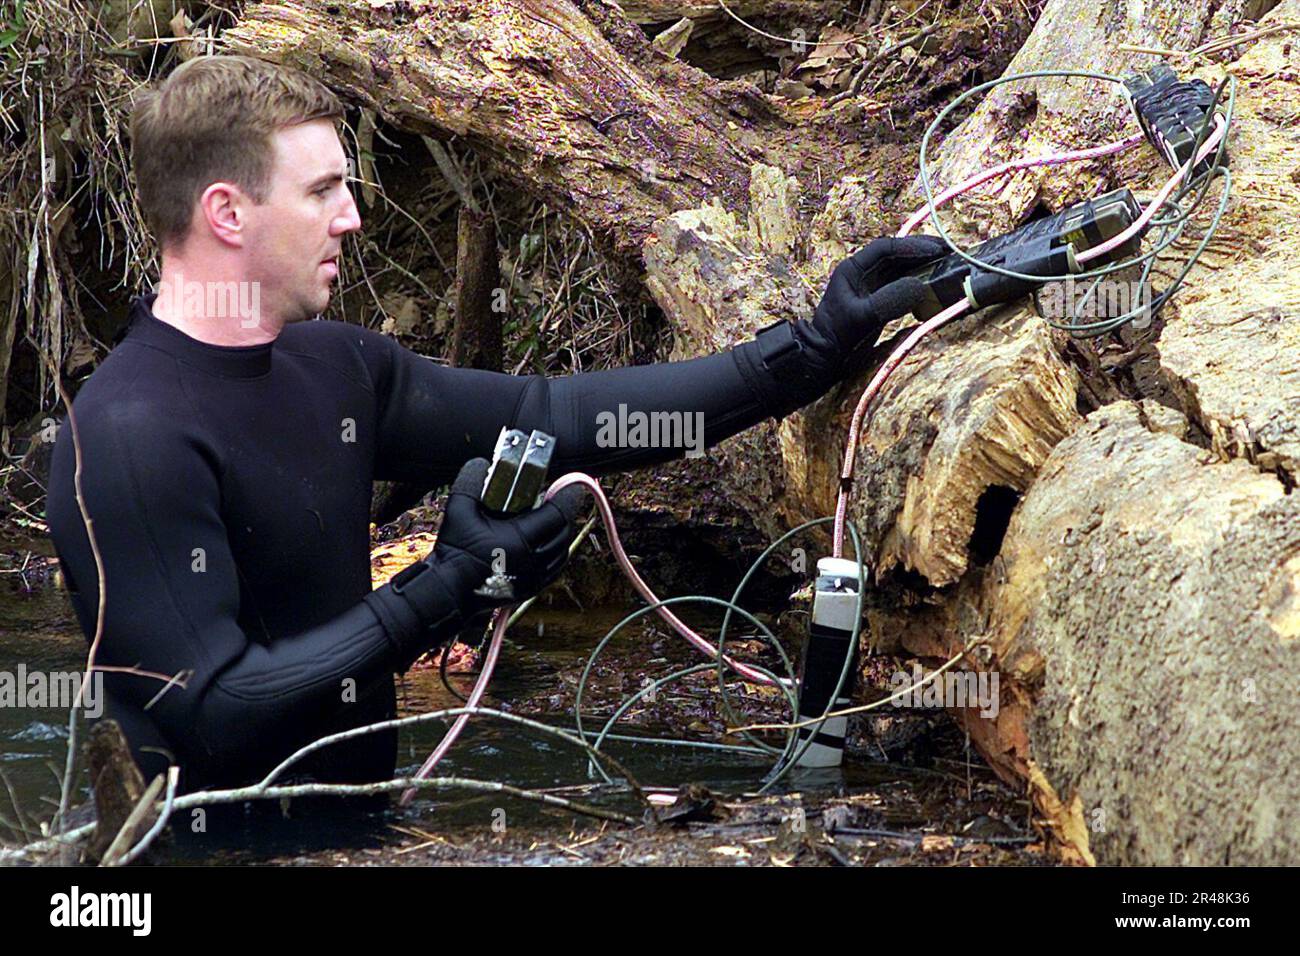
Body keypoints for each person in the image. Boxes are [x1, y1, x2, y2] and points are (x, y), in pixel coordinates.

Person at [46, 55, 949, 796]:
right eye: (323, 190)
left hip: (371, 832)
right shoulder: (127, 436)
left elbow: (553, 417)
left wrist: (810, 349)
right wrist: (446, 587)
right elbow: (212, 709)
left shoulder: (333, 369)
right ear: (227, 212)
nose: (353, 217)